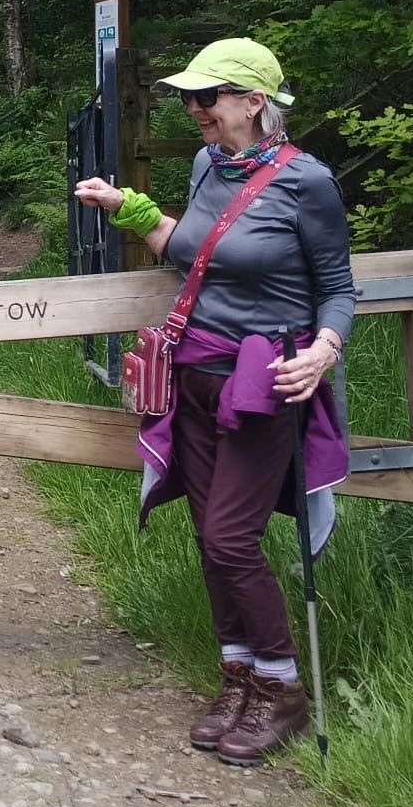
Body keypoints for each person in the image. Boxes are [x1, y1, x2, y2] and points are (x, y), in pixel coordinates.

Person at [73, 38, 355, 766]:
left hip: (261, 386)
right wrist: (127, 208)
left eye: (207, 96)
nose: (194, 109)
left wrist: (323, 351)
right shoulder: (208, 165)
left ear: (255, 102)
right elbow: (191, 251)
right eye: (188, 97)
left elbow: (338, 289)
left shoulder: (307, 182)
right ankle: (239, 678)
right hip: (192, 375)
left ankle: (282, 689)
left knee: (231, 538)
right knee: (208, 537)